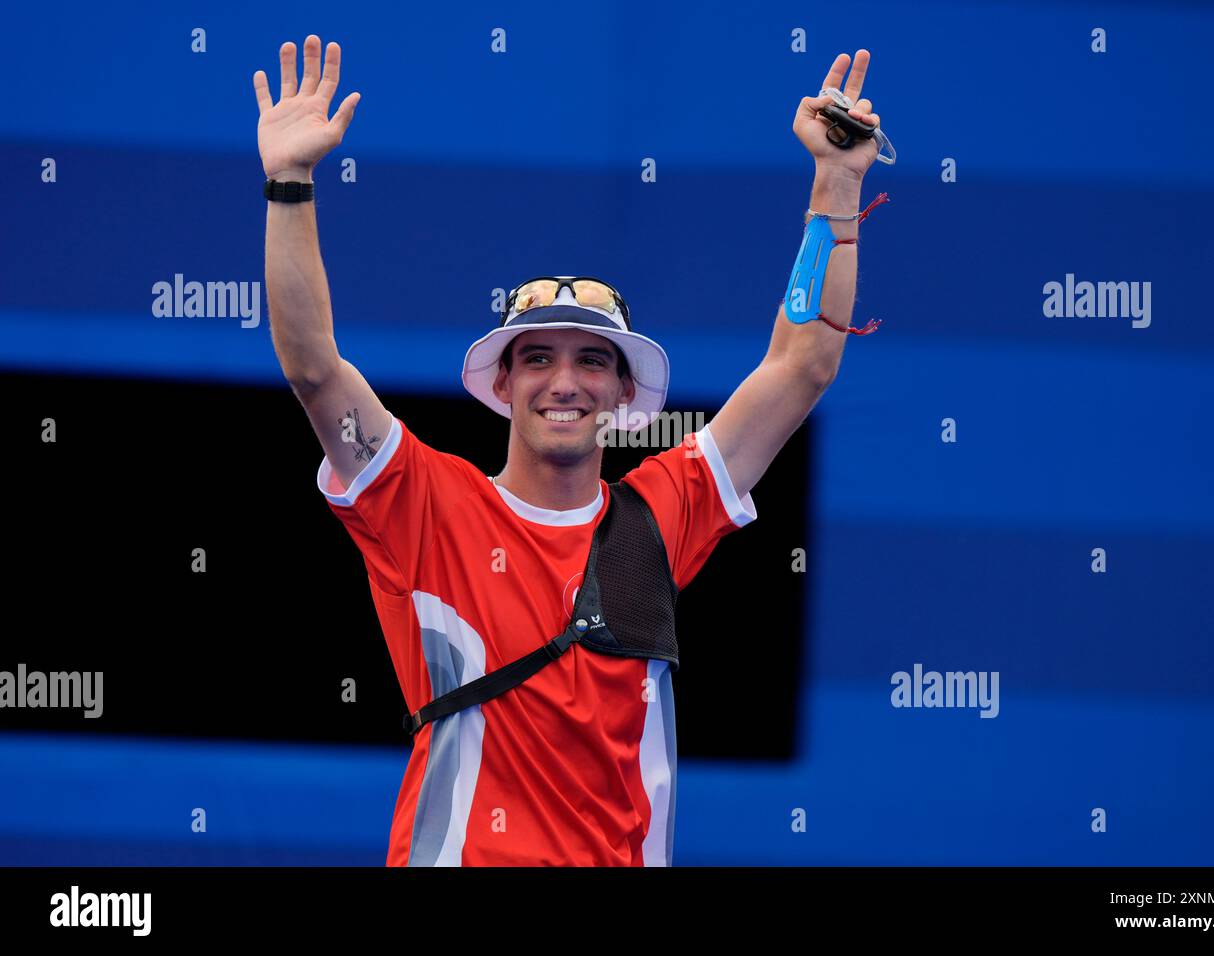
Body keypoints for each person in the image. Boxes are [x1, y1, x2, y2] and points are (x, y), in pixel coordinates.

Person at [254, 35, 885, 866]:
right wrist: (290, 186)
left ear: (626, 393)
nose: (566, 382)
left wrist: (836, 185)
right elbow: (310, 366)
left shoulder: (662, 513)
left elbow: (802, 365)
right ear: (504, 383)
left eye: (593, 360)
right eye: (539, 358)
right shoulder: (425, 503)